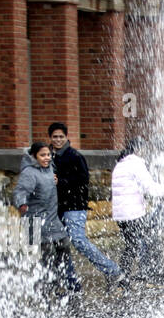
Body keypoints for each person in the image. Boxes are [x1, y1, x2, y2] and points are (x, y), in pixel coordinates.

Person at [48, 122, 125, 289]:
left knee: (78, 240)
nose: (58, 140)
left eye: (61, 136)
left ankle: (113, 271)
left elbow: (83, 181)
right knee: (60, 245)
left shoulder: (75, 156)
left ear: (67, 137)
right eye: (55, 137)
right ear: (50, 138)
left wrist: (61, 182)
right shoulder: (46, 156)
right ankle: (70, 282)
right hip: (55, 208)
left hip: (74, 207)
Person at [13, 140, 80, 298]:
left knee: (63, 247)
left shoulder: (50, 168)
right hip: (37, 221)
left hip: (51, 218)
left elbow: (52, 180)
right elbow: (20, 191)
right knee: (47, 255)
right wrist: (21, 203)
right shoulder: (29, 172)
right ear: (34, 156)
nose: (47, 158)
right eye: (42, 155)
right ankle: (46, 287)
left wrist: (55, 180)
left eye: (48, 154)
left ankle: (62, 283)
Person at [111, 137, 164, 283]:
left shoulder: (121, 163)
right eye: (146, 149)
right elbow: (152, 189)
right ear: (138, 150)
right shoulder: (136, 164)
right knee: (149, 240)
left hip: (121, 215)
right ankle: (154, 274)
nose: (148, 152)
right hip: (132, 214)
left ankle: (123, 278)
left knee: (132, 245)